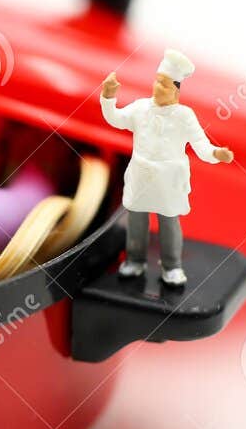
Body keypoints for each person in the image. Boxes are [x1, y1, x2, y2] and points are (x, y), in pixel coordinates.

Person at [99, 48, 233, 286]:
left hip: (169, 180)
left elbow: (201, 145)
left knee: (169, 223)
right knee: (136, 220)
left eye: (163, 84)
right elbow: (117, 119)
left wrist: (216, 153)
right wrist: (108, 99)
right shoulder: (141, 108)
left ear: (175, 90)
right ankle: (135, 260)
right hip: (141, 175)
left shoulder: (184, 116)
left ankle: (171, 266)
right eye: (156, 82)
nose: (157, 88)